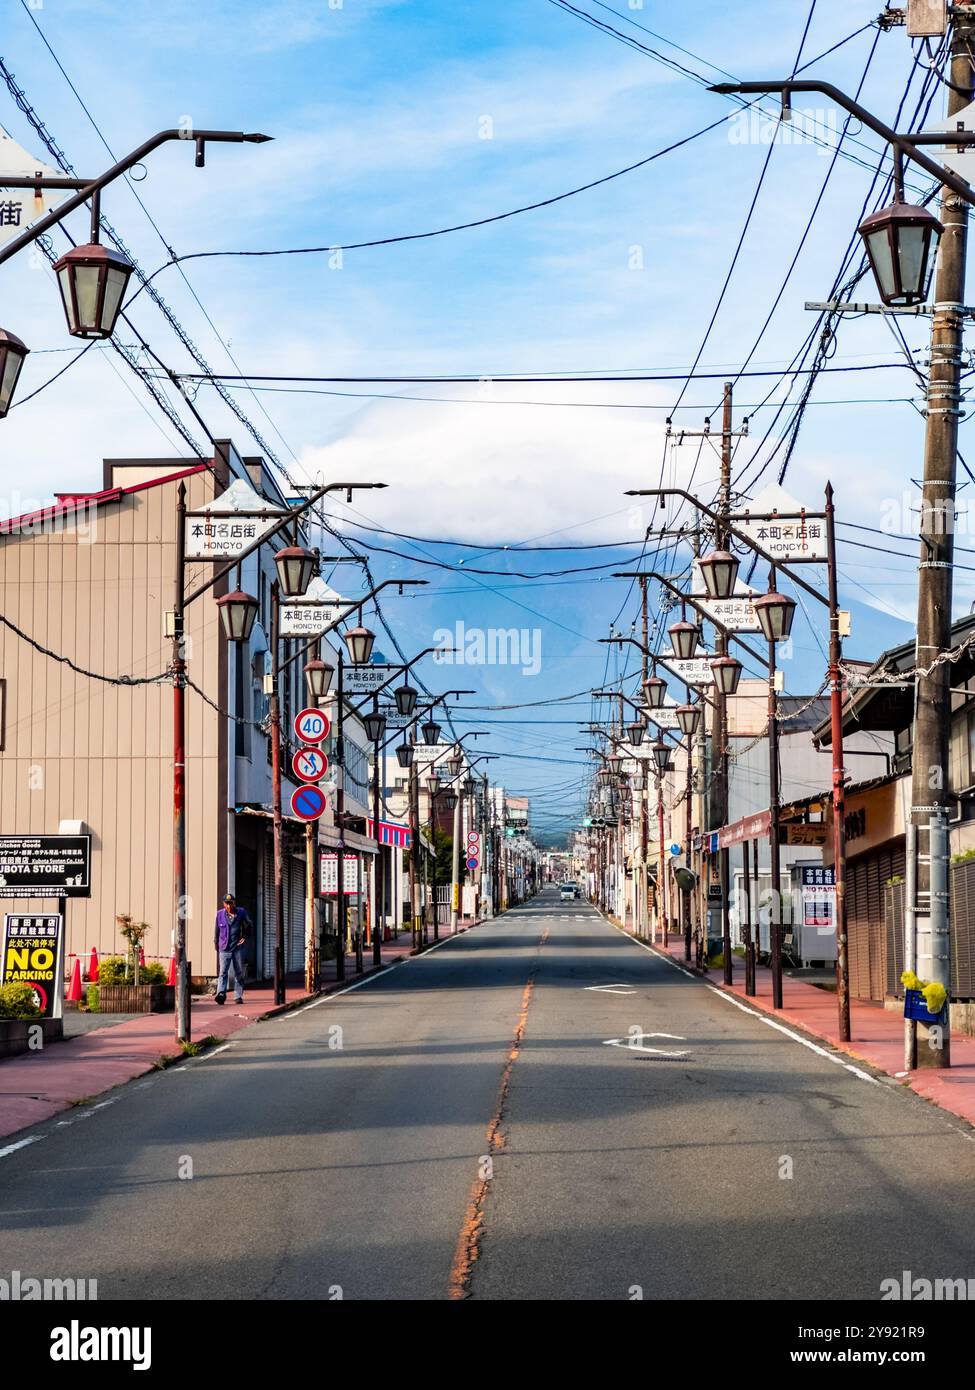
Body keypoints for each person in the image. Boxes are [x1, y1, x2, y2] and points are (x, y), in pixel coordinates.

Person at [213, 892, 253, 1006]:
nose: (229, 906)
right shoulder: (219, 914)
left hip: (238, 948)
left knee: (239, 973)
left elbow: (249, 925)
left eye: (231, 903)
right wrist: (216, 944)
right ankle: (221, 994)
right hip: (224, 948)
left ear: (234, 903)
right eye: (227, 903)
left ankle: (238, 996)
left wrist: (245, 937)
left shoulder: (241, 912)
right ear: (223, 904)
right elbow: (216, 931)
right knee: (223, 973)